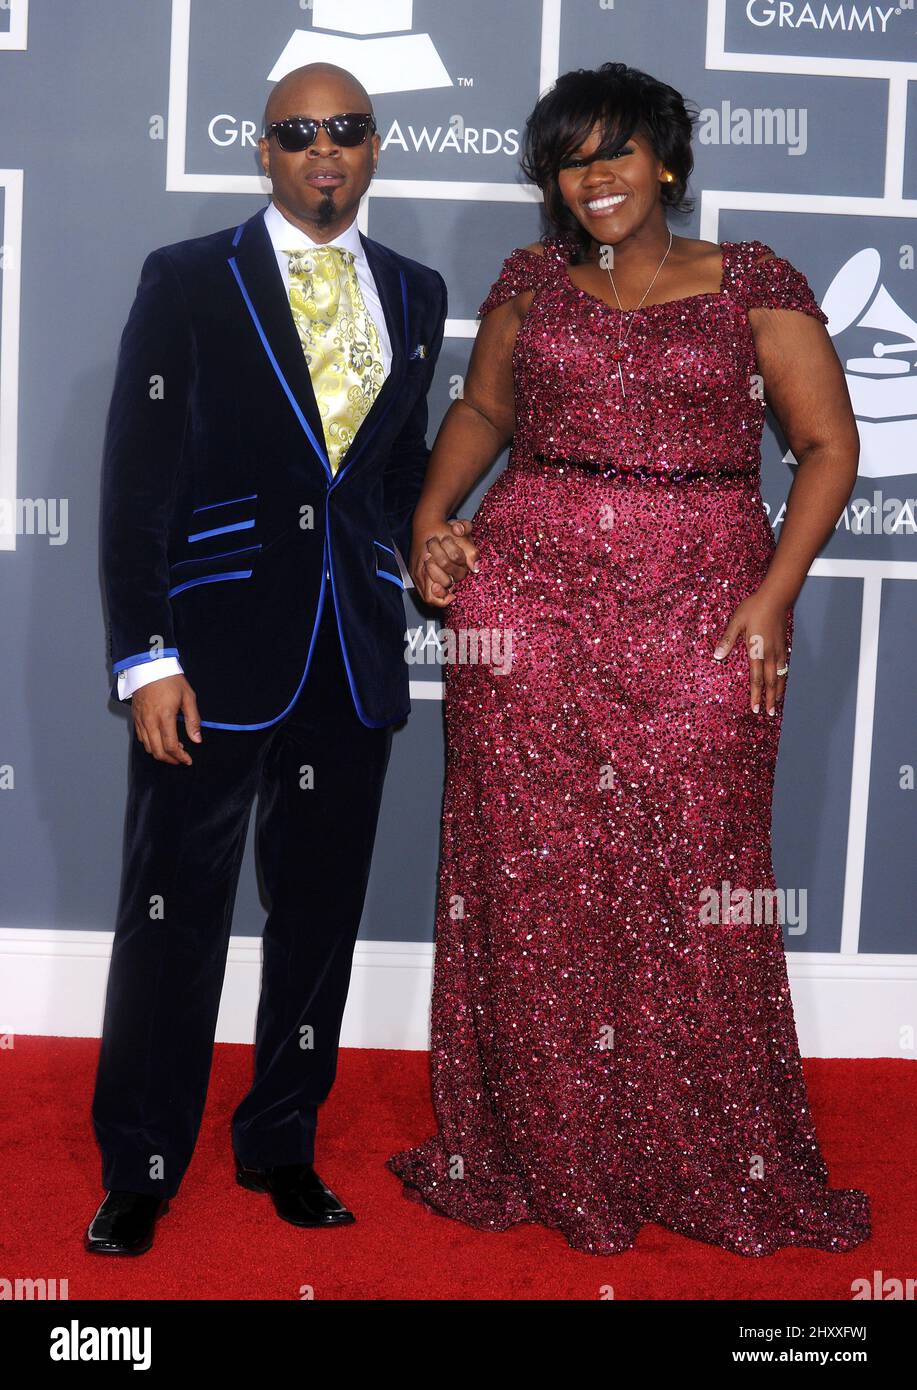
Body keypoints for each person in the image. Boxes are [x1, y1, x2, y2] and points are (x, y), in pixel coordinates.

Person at [388, 62, 872, 1257]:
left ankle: (704, 1149)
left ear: (665, 158)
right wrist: (428, 522)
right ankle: (546, 1147)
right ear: (548, 181)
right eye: (569, 158)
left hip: (707, 599)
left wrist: (771, 599)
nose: (593, 177)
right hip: (533, 599)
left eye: (615, 152)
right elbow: (486, 414)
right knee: (534, 878)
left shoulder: (749, 279)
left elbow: (823, 445)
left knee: (696, 868)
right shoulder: (529, 285)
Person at [87, 61, 475, 1255]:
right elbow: (138, 474)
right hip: (212, 652)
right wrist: (146, 656)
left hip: (350, 650)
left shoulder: (416, 292)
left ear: (373, 147)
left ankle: (281, 1143)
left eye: (347, 130)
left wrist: (429, 541)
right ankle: (144, 1162)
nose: (324, 149)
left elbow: (395, 467)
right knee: (173, 911)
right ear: (261, 151)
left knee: (318, 916)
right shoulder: (190, 278)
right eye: (298, 132)